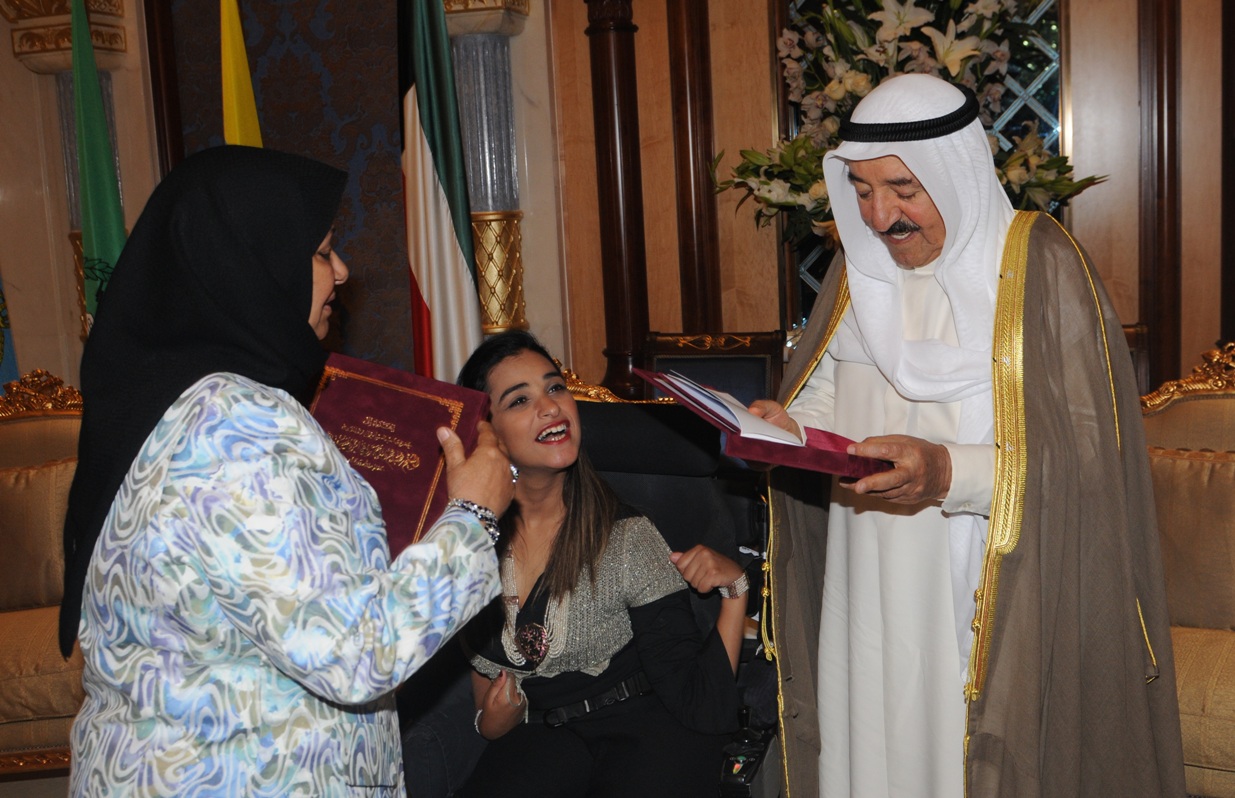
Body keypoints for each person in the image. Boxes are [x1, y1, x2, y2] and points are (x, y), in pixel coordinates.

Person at [748, 74, 1186, 797]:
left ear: (953, 173)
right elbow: (826, 392)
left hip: (986, 568)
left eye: (901, 189)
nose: (878, 214)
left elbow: (1088, 457)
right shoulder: (858, 273)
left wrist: (951, 474)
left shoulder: (1037, 265)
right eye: (858, 188)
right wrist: (785, 425)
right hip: (868, 563)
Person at [59, 145, 514, 796]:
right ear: (254, 263)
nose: (342, 270)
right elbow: (354, 653)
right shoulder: (238, 426)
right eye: (323, 251)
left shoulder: (166, 397)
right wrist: (472, 515)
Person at [452, 331, 744, 798]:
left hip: (644, 727)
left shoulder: (625, 538)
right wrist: (490, 721)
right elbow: (486, 701)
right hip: (544, 732)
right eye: (520, 399)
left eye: (554, 387)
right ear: (487, 433)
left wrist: (735, 593)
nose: (550, 407)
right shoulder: (465, 543)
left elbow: (698, 700)